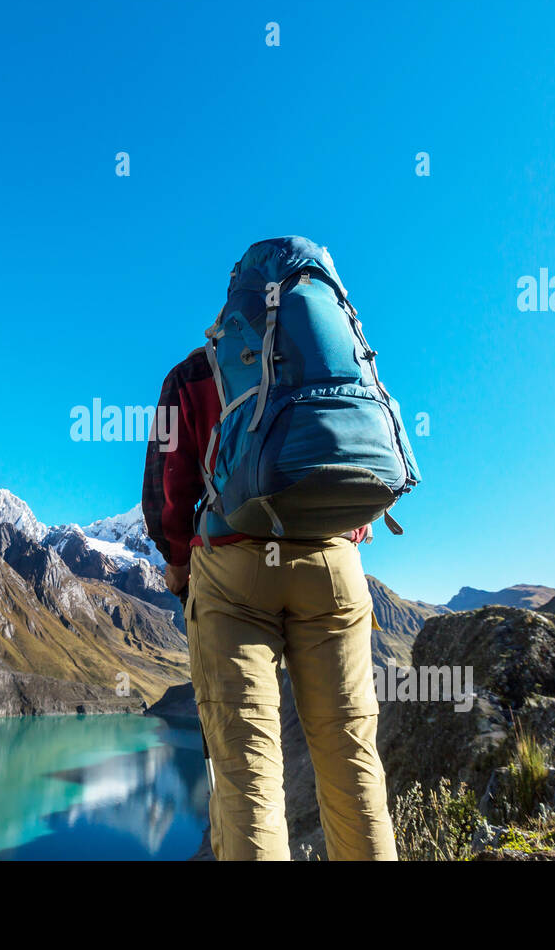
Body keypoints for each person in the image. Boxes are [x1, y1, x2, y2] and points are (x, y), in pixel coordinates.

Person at [142, 345, 398, 862]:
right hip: (333, 566)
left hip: (235, 566)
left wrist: (176, 560)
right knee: (352, 760)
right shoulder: (336, 352)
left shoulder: (195, 373)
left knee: (248, 777)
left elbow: (168, 489)